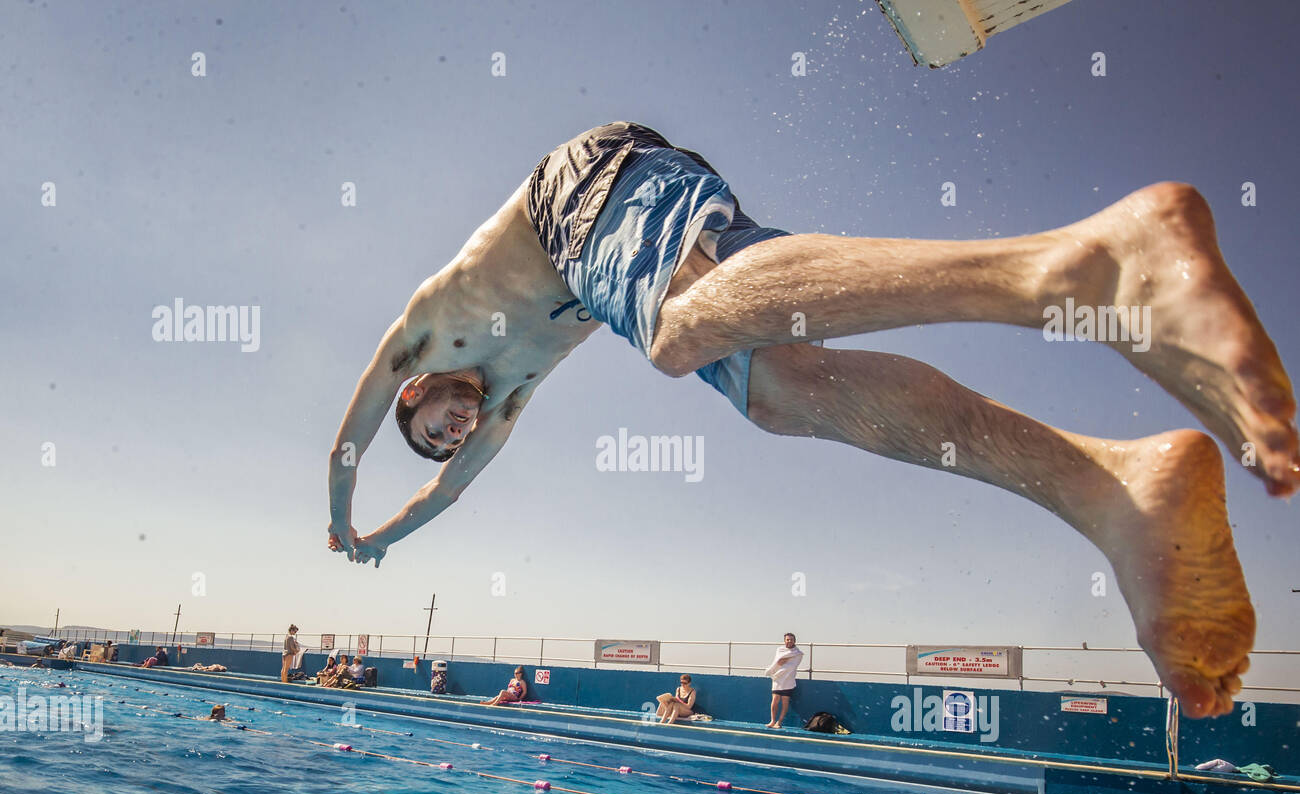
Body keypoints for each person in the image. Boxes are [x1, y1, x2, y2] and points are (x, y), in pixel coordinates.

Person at [327, 121, 1300, 720]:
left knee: (673, 336)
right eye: (451, 442)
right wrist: (378, 540)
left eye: (439, 426)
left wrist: (337, 512)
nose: (457, 433)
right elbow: (442, 492)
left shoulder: (423, 331)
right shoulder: (511, 401)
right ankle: (1108, 486)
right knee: (782, 394)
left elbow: (350, 438)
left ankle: (1077, 266)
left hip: (583, 194)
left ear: (417, 390)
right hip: (618, 272)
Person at [764, 633, 803, 728]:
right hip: (777, 678)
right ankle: (772, 721)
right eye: (787, 639)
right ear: (784, 640)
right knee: (775, 700)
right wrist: (779, 664)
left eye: (791, 639)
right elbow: (776, 662)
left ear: (795, 641)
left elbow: (793, 665)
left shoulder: (798, 653)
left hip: (788, 679)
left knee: (785, 701)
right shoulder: (780, 650)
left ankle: (779, 722)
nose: (789, 641)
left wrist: (784, 664)